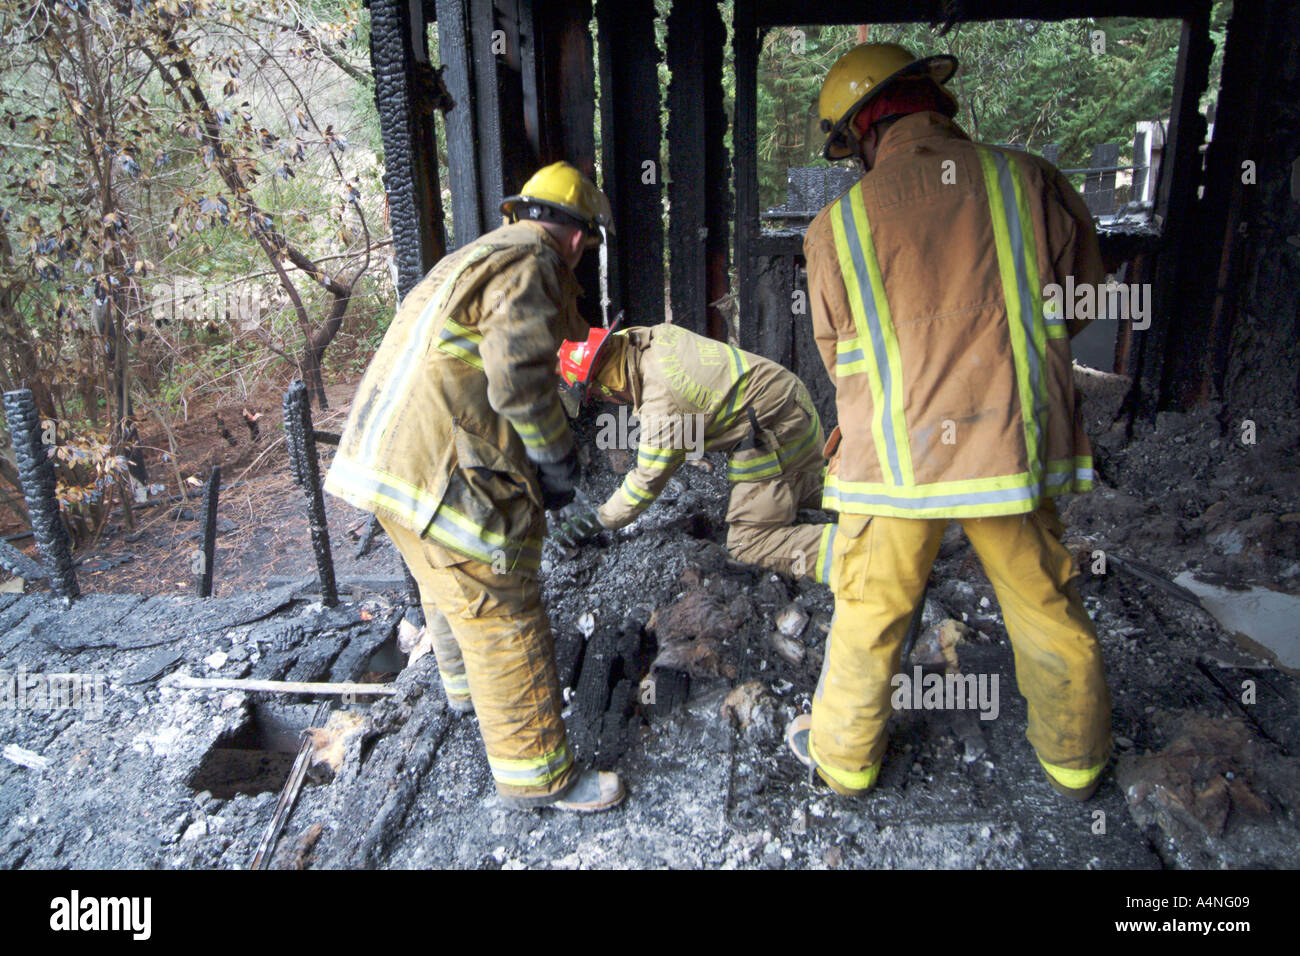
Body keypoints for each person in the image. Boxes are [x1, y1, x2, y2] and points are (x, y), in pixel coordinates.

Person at [785, 43, 1112, 801]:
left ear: (863, 130)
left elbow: (840, 360)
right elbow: (1084, 299)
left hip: (897, 463)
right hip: (1010, 445)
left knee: (870, 612)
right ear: (932, 100)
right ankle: (1076, 763)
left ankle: (843, 763)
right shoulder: (1027, 180)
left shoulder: (834, 227)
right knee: (1043, 603)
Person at [323, 162, 625, 812]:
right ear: (577, 236)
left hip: (384, 463)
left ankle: (462, 691)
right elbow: (516, 376)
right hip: (438, 470)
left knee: (444, 578)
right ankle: (538, 778)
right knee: (504, 609)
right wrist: (555, 458)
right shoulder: (534, 261)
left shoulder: (470, 258)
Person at [553, 323, 834, 583]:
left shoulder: (662, 408)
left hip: (775, 430)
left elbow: (645, 483)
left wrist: (598, 519)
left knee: (747, 544)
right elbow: (690, 427)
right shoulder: (649, 338)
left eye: (600, 396)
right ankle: (858, 500)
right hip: (789, 398)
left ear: (608, 388)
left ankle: (851, 551)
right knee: (798, 485)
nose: (605, 402)